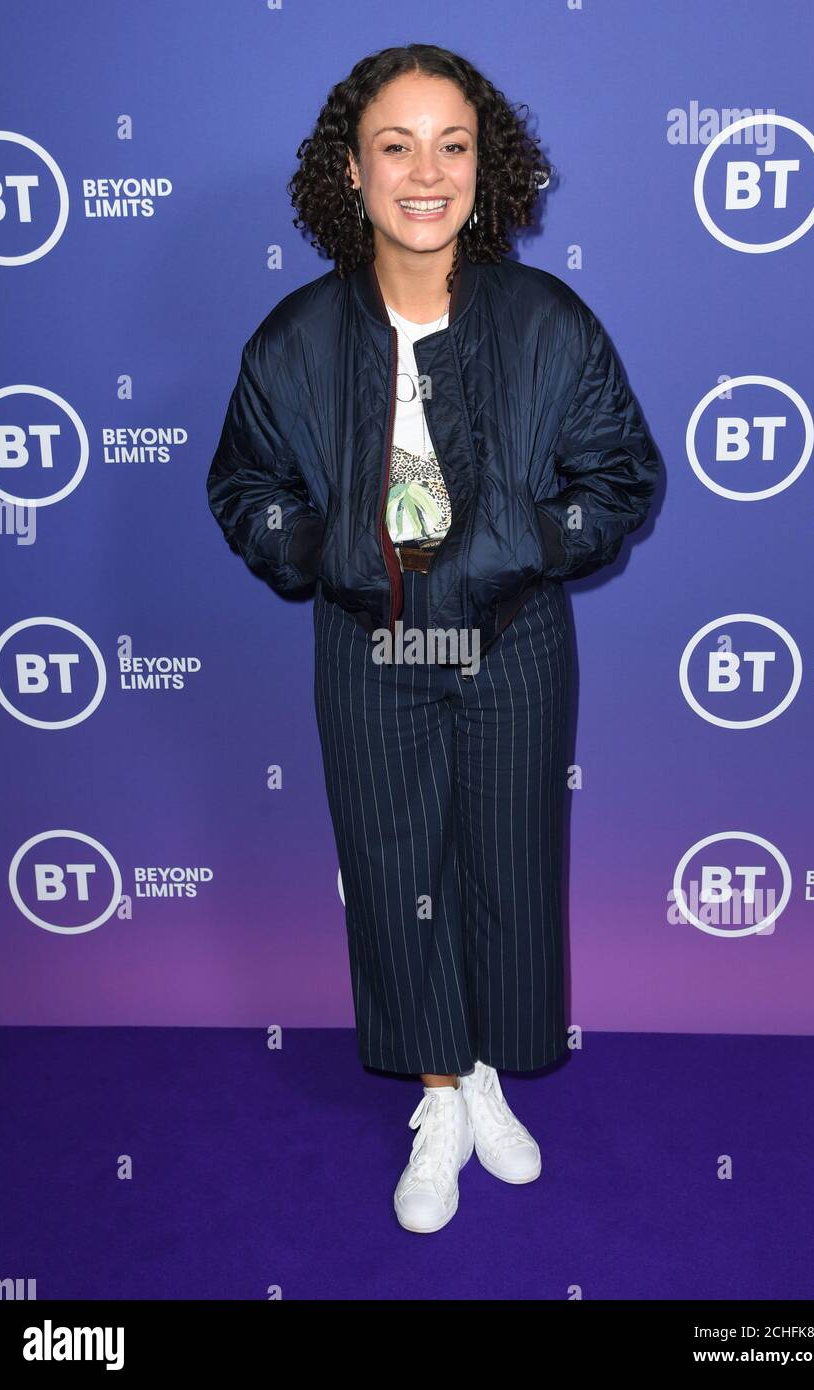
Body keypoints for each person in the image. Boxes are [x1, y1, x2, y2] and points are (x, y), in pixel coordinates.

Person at [207, 43, 661, 1234]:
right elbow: (244, 480)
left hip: (510, 641)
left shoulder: (544, 321)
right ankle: (438, 1092)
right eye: (394, 146)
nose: (424, 173)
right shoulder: (295, 337)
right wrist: (310, 551)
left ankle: (489, 1076)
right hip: (368, 648)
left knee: (507, 864)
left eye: (450, 145)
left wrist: (526, 535)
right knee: (395, 874)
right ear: (348, 173)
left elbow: (619, 477)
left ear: (484, 165)